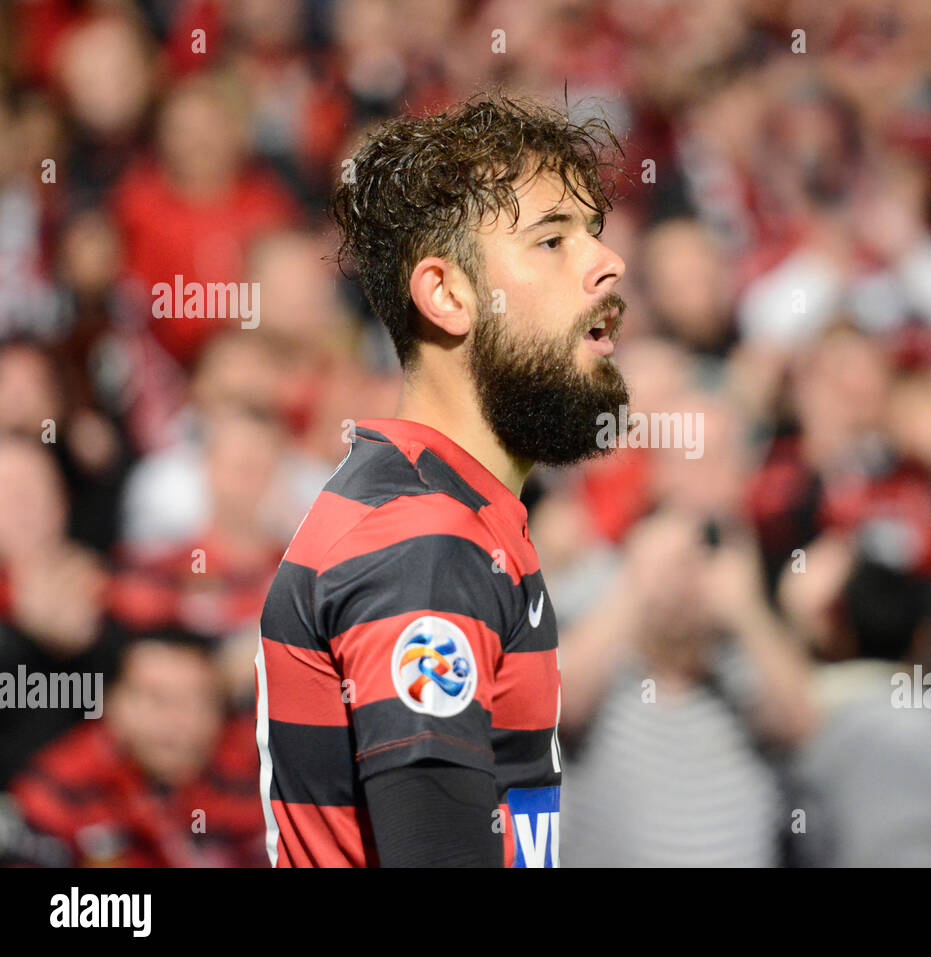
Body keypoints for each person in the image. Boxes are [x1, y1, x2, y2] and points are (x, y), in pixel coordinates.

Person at [256, 94, 630, 867]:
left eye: (593, 232)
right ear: (448, 296)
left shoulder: (450, 514)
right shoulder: (421, 542)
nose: (607, 261)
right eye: (553, 239)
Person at [7, 629, 265, 867]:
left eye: (197, 702)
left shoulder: (258, 774)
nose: (179, 721)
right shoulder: (61, 786)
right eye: (157, 699)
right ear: (112, 703)